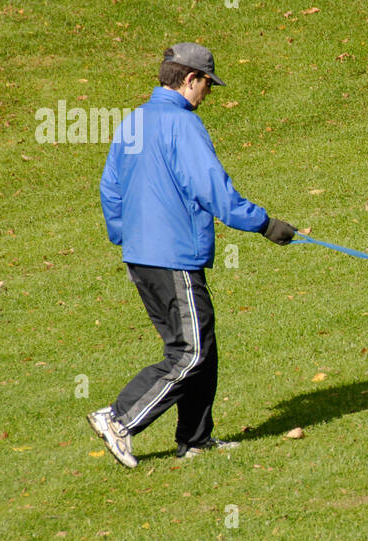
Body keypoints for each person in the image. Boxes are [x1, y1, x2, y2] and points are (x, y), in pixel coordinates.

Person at [88, 42, 295, 468]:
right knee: (191, 352)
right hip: (172, 256)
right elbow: (212, 188)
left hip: (143, 256)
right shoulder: (182, 125)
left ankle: (195, 439)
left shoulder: (133, 121)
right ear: (189, 80)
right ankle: (120, 419)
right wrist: (264, 224)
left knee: (202, 344)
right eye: (207, 85)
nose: (208, 94)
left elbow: (110, 189)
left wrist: (129, 236)